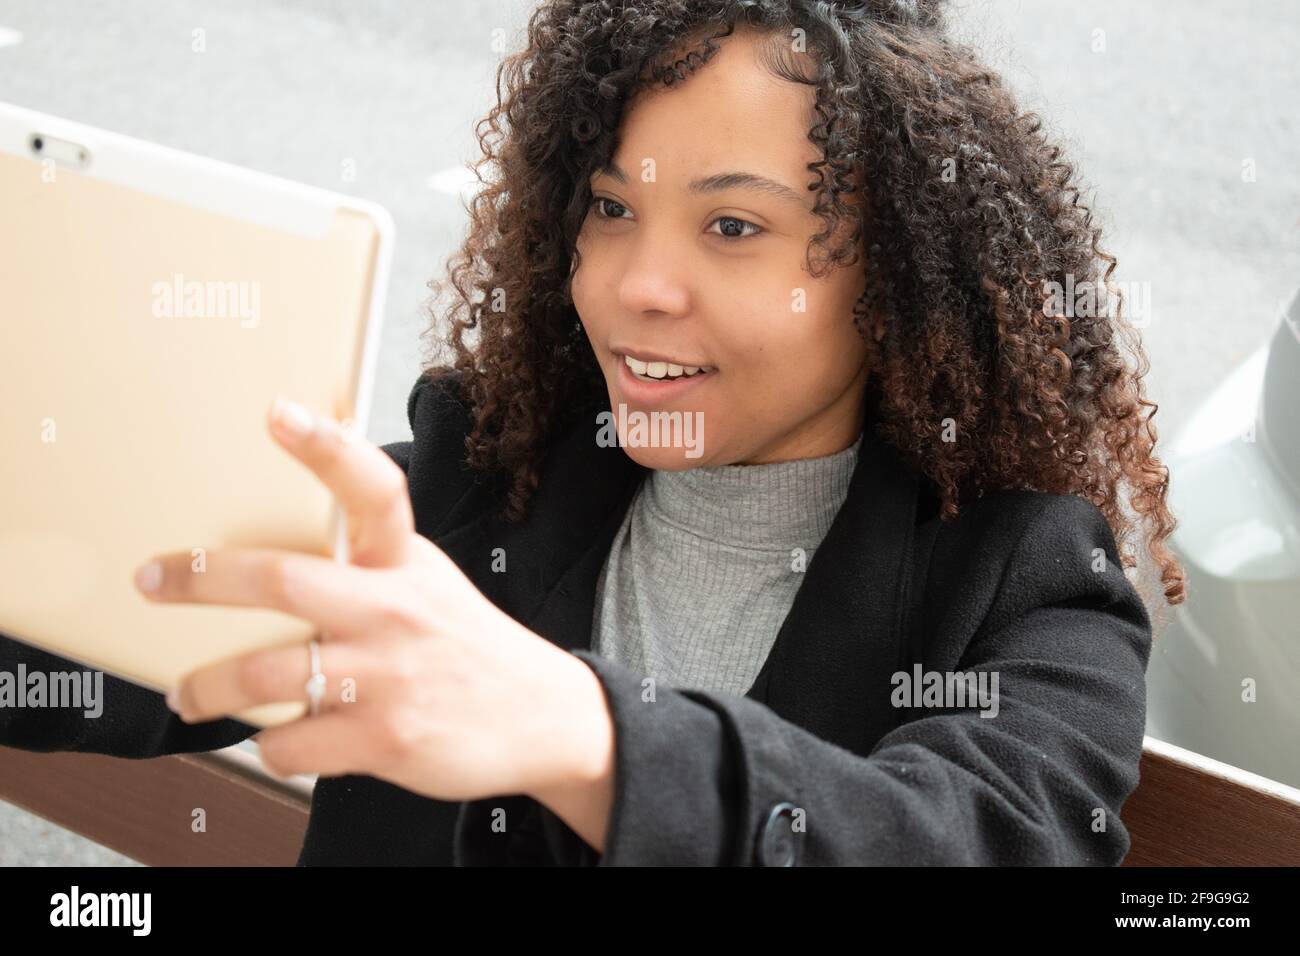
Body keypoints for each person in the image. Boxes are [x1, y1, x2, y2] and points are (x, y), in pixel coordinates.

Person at [0, 0, 1185, 866]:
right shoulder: (477, 491)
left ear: (896, 282)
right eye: (610, 209)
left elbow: (962, 846)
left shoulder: (1029, 592)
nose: (636, 284)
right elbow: (107, 648)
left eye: (730, 225)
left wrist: (577, 726)